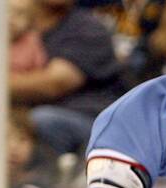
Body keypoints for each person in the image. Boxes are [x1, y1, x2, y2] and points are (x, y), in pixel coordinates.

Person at [8, 0, 124, 156]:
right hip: (21, 116)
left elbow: (53, 84)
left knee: (42, 120)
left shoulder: (87, 28)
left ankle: (47, 178)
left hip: (88, 123)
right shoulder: (16, 26)